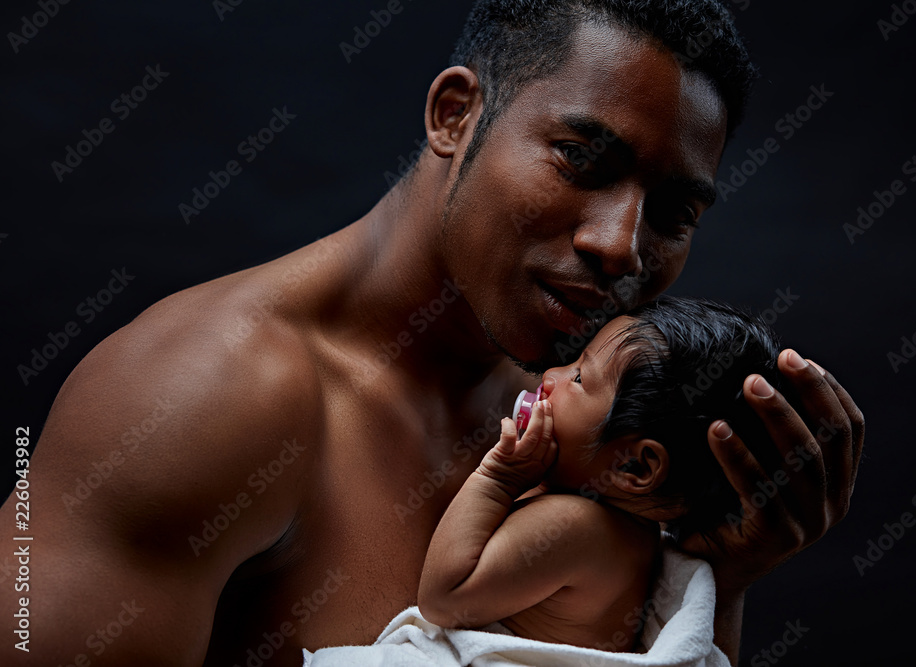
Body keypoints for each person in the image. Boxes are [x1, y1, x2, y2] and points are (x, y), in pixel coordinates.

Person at [1, 1, 864, 665]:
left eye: (674, 212)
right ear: (455, 116)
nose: (620, 244)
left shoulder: (600, 416)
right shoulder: (202, 394)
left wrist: (722, 576)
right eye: (581, 157)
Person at [418, 297, 789, 651]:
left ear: (635, 467)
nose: (551, 375)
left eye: (579, 378)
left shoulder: (577, 524)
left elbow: (445, 597)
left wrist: (496, 480)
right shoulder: (637, 535)